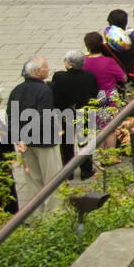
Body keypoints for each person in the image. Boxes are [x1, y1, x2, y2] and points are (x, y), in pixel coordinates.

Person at [8, 57, 63, 218]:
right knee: (53, 178)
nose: (48, 69)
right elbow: (43, 115)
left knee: (33, 179)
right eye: (46, 67)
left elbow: (11, 115)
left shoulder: (16, 90)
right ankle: (54, 216)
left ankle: (35, 217)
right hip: (45, 141)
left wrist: (19, 138)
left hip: (25, 143)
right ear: (38, 72)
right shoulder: (44, 90)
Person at [51, 50, 97, 180]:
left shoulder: (59, 77)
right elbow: (94, 92)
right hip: (84, 113)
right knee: (85, 142)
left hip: (66, 114)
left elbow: (55, 94)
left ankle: (69, 172)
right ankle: (86, 170)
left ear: (69, 64)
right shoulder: (89, 76)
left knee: (66, 144)